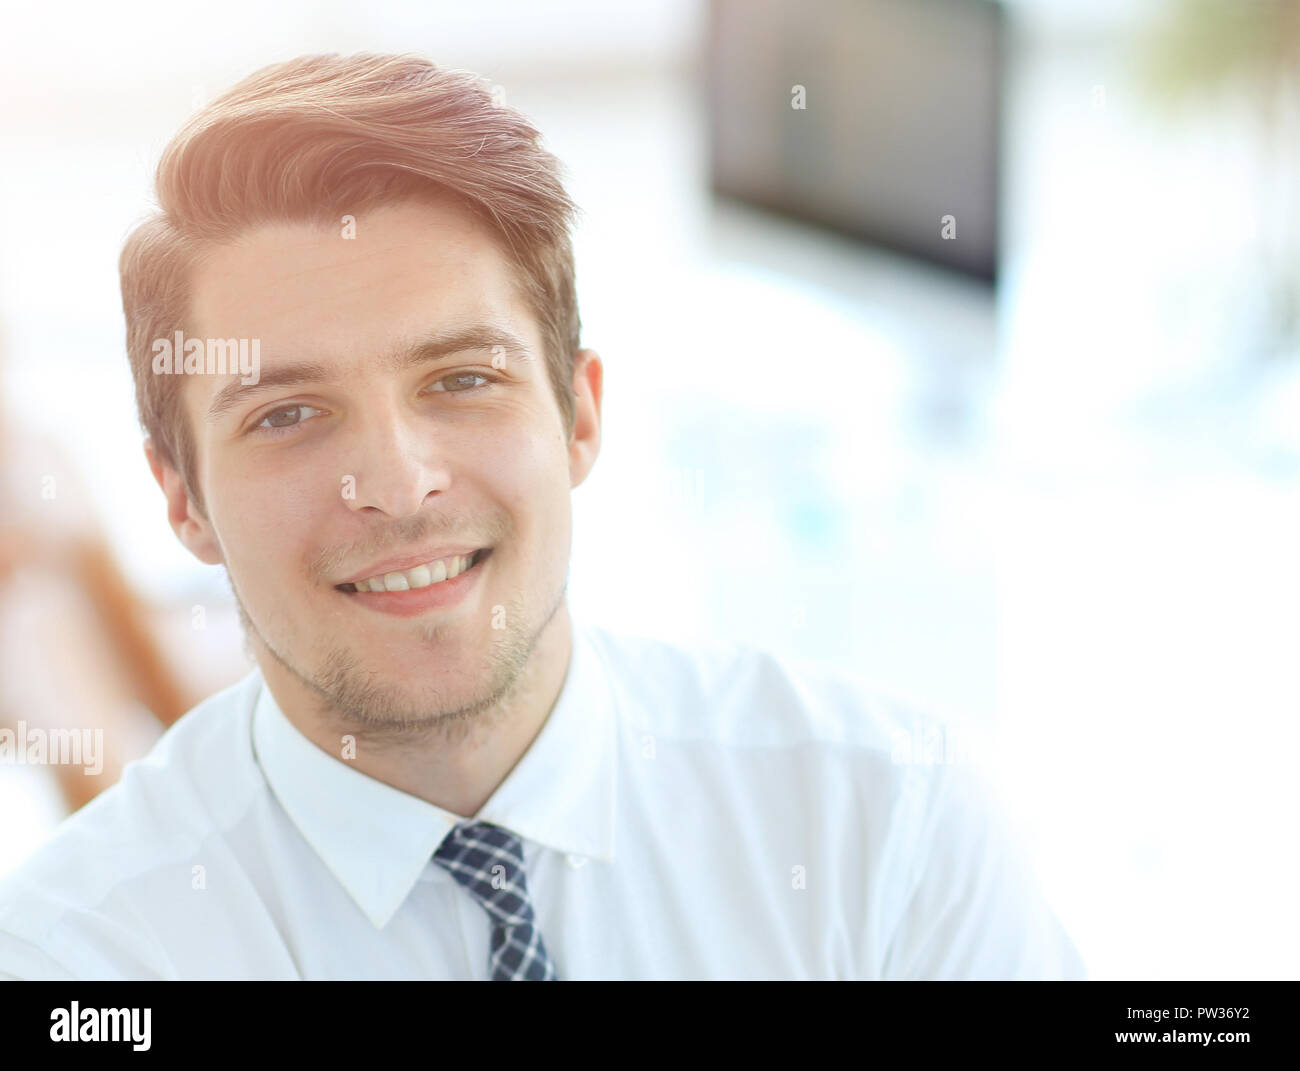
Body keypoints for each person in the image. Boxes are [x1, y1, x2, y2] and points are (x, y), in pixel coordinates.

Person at [0, 52, 1085, 981]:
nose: (396, 481)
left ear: (579, 416)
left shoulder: (880, 826)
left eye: (461, 380)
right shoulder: (81, 960)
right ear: (182, 499)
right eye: (289, 414)